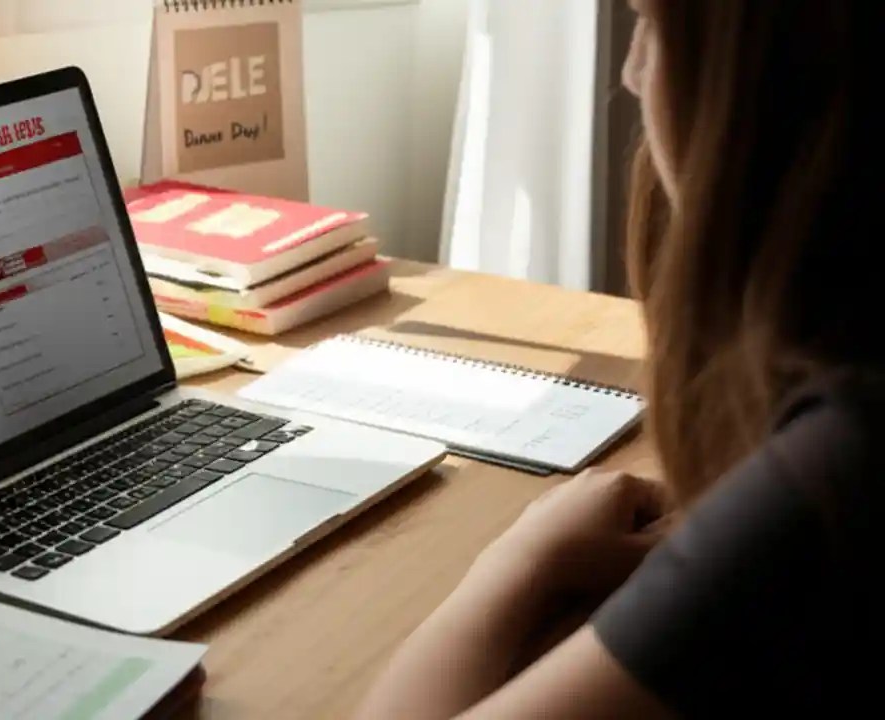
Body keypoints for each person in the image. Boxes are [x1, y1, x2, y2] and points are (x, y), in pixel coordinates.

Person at [356, 0, 881, 717]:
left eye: (652, 25)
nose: (632, 73)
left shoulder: (833, 474)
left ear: (774, 75)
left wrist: (522, 559)